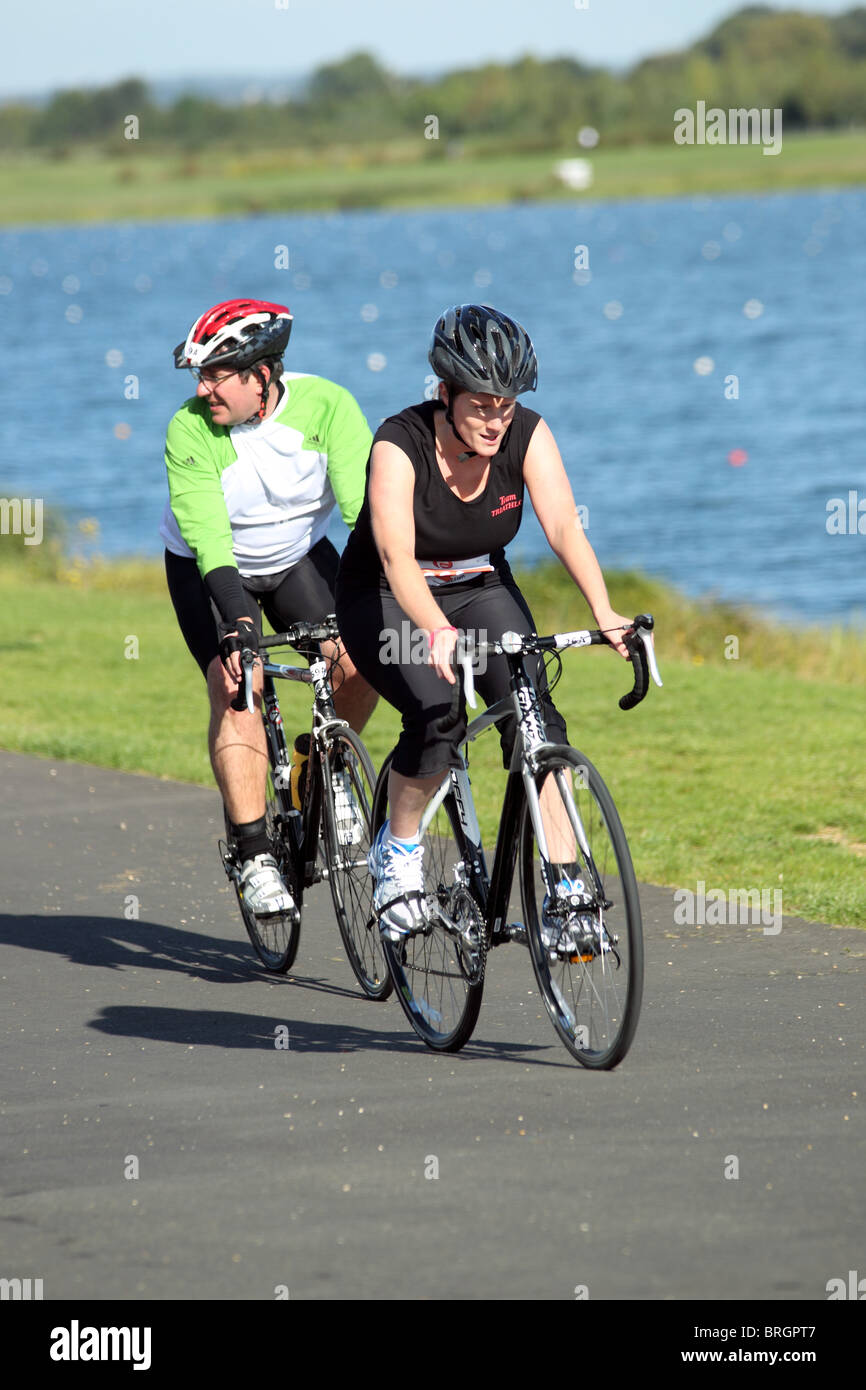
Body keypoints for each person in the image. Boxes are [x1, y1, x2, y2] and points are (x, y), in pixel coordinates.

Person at [336, 302, 633, 951]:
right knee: (437, 711)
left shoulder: (527, 434)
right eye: (481, 405)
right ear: (445, 394)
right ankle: (400, 851)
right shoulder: (398, 443)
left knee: (535, 718)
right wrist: (436, 630)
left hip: (479, 585)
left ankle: (565, 886)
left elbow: (562, 525)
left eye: (507, 404)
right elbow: (393, 555)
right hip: (385, 594)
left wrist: (602, 609)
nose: (497, 419)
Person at [160, 297, 377, 918]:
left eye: (214, 375)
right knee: (241, 684)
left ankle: (323, 768)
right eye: (198, 376)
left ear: (262, 375)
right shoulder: (189, 429)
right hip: (212, 569)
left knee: (364, 658)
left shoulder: (329, 406)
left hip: (298, 556)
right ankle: (254, 852)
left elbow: (365, 520)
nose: (202, 390)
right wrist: (238, 630)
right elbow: (211, 545)